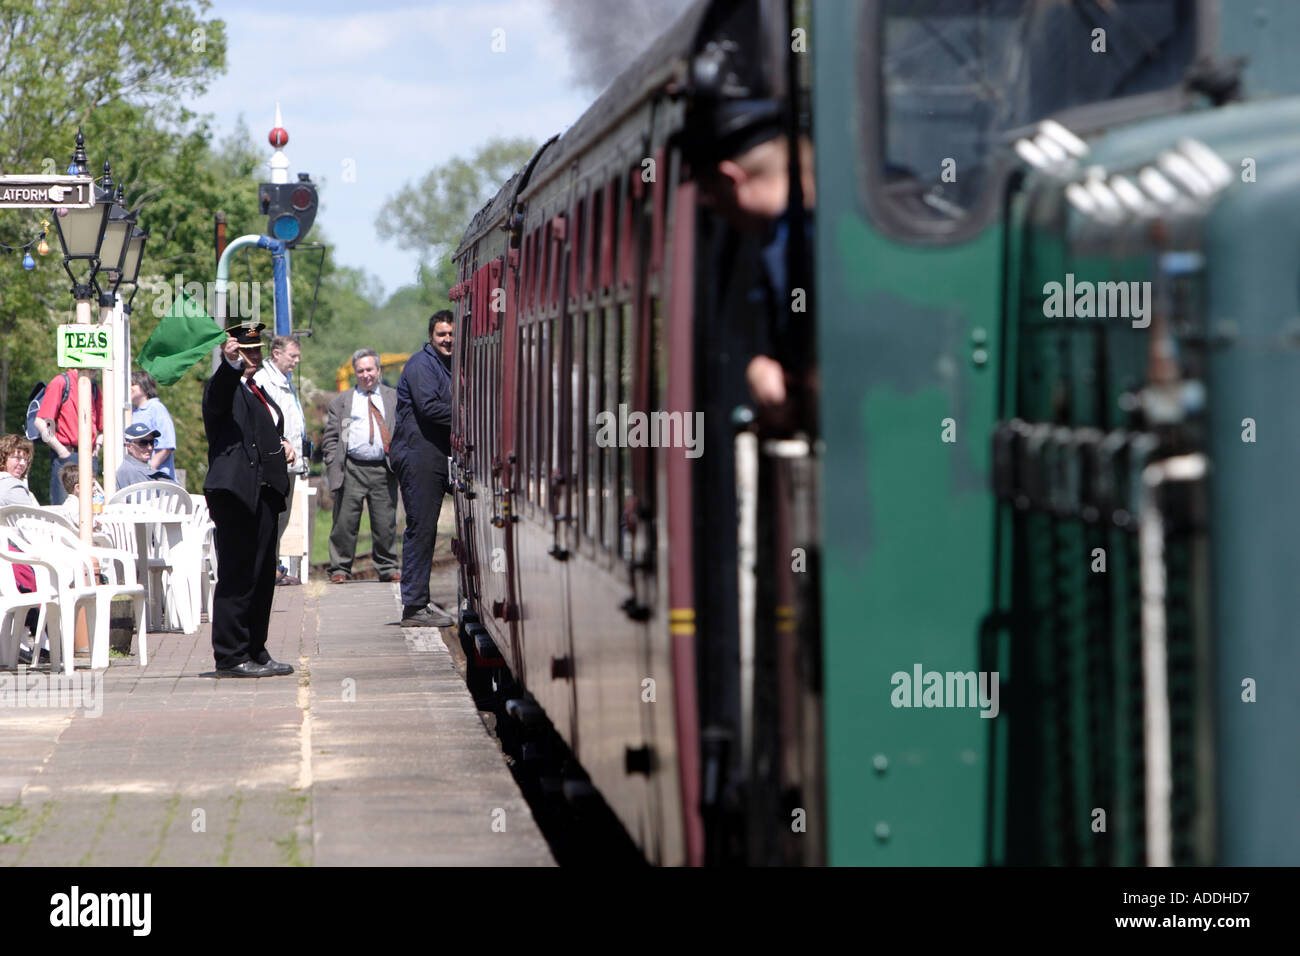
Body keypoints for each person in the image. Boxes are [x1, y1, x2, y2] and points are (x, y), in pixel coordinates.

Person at [201, 324, 296, 678]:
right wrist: (228, 364)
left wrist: (280, 444)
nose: (252, 357)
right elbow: (219, 398)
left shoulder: (255, 389)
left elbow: (259, 432)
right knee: (238, 575)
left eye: (256, 351)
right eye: (246, 351)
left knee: (261, 577)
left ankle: (256, 648)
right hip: (236, 494)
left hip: (264, 493)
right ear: (233, 353)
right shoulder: (224, 386)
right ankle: (230, 654)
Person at [390, 312, 455, 628]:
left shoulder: (449, 365)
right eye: (442, 334)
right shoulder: (421, 365)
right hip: (419, 456)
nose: (448, 340)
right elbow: (429, 407)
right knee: (421, 529)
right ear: (431, 335)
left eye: (452, 334)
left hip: (437, 455)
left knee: (429, 528)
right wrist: (471, 411)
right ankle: (414, 606)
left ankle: (420, 601)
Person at [322, 348, 400, 584]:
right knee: (345, 522)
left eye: (370, 369)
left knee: (385, 522)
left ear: (378, 370)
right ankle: (340, 568)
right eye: (361, 371)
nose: (366, 375)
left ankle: (388, 568)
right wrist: (332, 462)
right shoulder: (343, 401)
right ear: (355, 373)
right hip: (352, 468)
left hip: (383, 469)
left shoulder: (393, 398)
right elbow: (331, 437)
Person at [253, 335, 308, 586]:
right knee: (273, 518)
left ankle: (272, 566)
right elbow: (268, 421)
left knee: (281, 518)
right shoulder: (265, 380)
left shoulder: (283, 379)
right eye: (292, 356)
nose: (296, 361)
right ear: (276, 353)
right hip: (277, 462)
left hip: (291, 461)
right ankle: (269, 569)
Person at [32, 368, 103, 505]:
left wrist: (97, 448)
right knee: (64, 509)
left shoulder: (93, 387)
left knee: (91, 508)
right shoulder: (61, 382)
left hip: (89, 456)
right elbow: (40, 422)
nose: (96, 369)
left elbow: (102, 427)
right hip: (67, 457)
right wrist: (61, 450)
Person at [129, 370, 177, 480]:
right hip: (137, 478)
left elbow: (166, 446)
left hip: (157, 481)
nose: (129, 388)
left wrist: (148, 471)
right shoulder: (131, 412)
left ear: (144, 385)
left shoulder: (156, 408)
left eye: (133, 384)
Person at [115, 423, 175, 488]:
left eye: (152, 442)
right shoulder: (129, 471)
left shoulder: (138, 469)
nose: (150, 448)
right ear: (129, 446)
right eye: (143, 443)